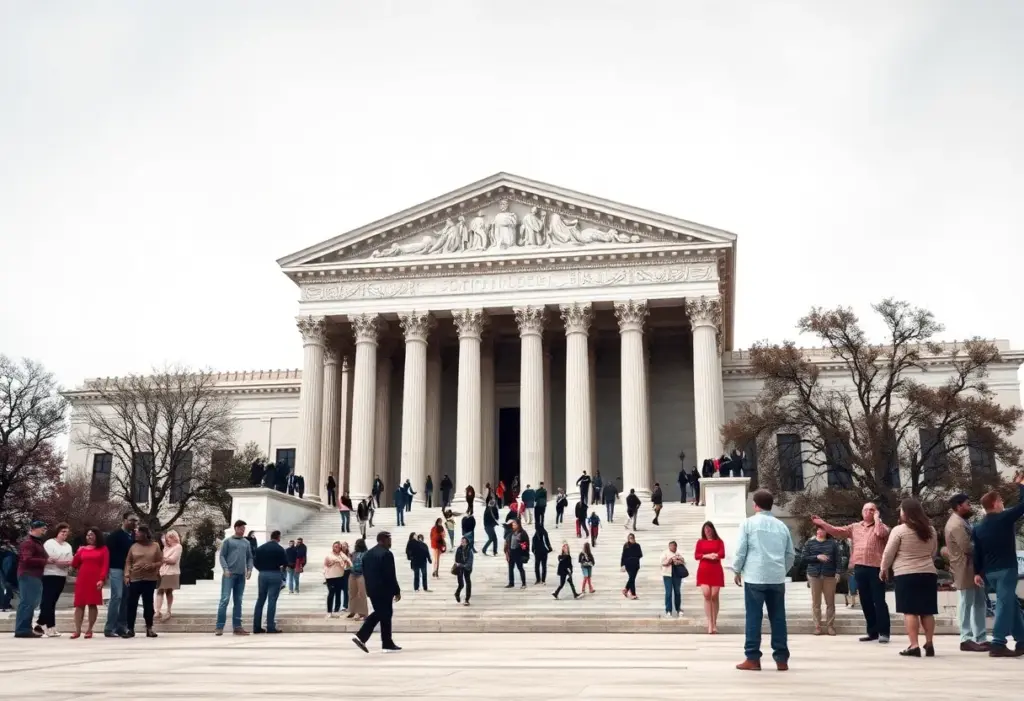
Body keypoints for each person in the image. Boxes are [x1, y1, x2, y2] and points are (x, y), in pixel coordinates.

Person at [811, 503, 892, 644]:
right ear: (862, 512)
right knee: (865, 601)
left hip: (877, 568)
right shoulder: (854, 527)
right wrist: (822, 523)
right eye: (866, 509)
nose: (868, 512)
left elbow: (880, 533)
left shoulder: (882, 527)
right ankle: (872, 632)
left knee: (879, 601)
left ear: (876, 512)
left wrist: (877, 518)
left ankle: (884, 632)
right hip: (860, 567)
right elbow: (836, 531)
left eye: (872, 510)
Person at [733, 489, 795, 672]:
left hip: (755, 576)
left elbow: (741, 550)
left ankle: (752, 657)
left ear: (755, 505)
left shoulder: (748, 524)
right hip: (776, 578)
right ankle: (781, 659)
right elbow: (790, 554)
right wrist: (782, 570)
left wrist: (737, 569)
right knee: (778, 618)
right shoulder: (781, 526)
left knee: (753, 617)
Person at [971, 473, 1024, 657]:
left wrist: (977, 572)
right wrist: (1021, 485)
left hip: (989, 573)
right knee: (1004, 604)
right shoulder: (1004, 518)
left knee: (1011, 603)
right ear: (995, 504)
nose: (1003, 503)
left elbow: (976, 552)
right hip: (1007, 570)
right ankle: (998, 643)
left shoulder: (978, 527)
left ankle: (1022, 641)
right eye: (1000, 500)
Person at [880, 498, 938, 657]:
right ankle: (929, 642)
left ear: (906, 513)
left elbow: (889, 552)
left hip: (906, 574)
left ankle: (914, 645)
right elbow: (933, 552)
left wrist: (883, 568)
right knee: (927, 611)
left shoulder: (899, 530)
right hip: (928, 573)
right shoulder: (931, 530)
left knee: (910, 611)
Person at [942, 493, 989, 652]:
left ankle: (981, 637)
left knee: (978, 603)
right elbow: (967, 547)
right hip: (964, 568)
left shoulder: (962, 521)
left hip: (972, 567)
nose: (970, 507)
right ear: (959, 506)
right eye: (968, 504)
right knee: (966, 603)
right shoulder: (956, 524)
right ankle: (966, 638)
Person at [352, 531, 402, 653]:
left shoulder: (368, 554)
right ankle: (361, 636)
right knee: (382, 613)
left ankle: (387, 643)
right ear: (382, 540)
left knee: (385, 614)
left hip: (372, 590)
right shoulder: (386, 554)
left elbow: (365, 573)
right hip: (384, 590)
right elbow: (390, 574)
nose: (390, 542)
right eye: (389, 540)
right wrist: (397, 590)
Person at [216, 519, 253, 636]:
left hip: (241, 575)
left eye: (244, 529)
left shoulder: (246, 543)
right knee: (225, 599)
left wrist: (249, 569)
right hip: (229, 574)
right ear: (236, 528)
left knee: (238, 601)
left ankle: (237, 626)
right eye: (241, 528)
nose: (243, 531)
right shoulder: (228, 542)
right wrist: (225, 569)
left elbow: (250, 557)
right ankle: (219, 626)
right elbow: (222, 556)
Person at [124, 525, 163, 638]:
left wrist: (152, 566)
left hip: (149, 579)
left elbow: (160, 561)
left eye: (138, 533)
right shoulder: (133, 547)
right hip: (135, 578)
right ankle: (130, 629)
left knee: (148, 604)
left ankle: (149, 628)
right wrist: (127, 576)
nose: (136, 535)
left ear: (145, 534)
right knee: (131, 604)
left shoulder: (155, 546)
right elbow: (128, 562)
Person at [69, 527, 108, 639]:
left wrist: (102, 579)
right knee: (79, 604)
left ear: (97, 536)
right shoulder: (82, 549)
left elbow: (105, 565)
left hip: (95, 579)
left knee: (92, 604)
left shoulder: (103, 549)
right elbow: (75, 564)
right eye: (87, 535)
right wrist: (77, 553)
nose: (89, 537)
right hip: (82, 578)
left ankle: (90, 629)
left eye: (91, 535)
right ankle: (77, 630)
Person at [802, 524, 840, 636]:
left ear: (826, 531)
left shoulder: (833, 543)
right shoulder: (810, 543)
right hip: (814, 575)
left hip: (829, 575)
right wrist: (817, 557)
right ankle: (817, 626)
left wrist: (838, 572)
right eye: (818, 529)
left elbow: (838, 559)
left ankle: (830, 626)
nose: (820, 531)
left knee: (830, 602)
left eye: (823, 529)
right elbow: (803, 558)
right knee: (816, 602)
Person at [103, 512, 137, 638]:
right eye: (131, 520)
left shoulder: (134, 536)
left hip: (129, 570)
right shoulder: (115, 535)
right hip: (116, 568)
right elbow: (107, 553)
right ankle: (109, 627)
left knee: (126, 598)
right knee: (117, 596)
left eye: (136, 521)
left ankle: (121, 626)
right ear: (124, 520)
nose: (134, 523)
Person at [13, 520, 49, 638]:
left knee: (31, 602)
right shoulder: (28, 543)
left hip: (34, 575)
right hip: (28, 574)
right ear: (34, 528)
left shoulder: (37, 542)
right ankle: (22, 629)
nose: (45, 530)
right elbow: (26, 559)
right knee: (27, 602)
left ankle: (25, 628)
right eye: (42, 528)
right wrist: (45, 561)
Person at [38, 522, 73, 637]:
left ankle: (50, 625)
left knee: (53, 602)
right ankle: (43, 624)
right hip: (50, 574)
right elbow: (51, 560)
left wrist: (64, 562)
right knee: (47, 600)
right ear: (57, 532)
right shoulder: (50, 543)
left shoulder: (67, 545)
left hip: (62, 575)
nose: (64, 534)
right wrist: (61, 562)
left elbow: (70, 559)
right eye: (63, 532)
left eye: (66, 533)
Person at [252, 530, 288, 633]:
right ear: (278, 537)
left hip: (262, 574)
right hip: (275, 573)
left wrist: (261, 569)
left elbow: (255, 561)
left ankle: (256, 627)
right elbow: (285, 563)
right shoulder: (280, 549)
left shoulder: (260, 548)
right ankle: (270, 626)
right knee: (272, 601)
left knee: (260, 600)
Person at [695, 521, 726, 634]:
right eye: (705, 529)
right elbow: (697, 555)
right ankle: (709, 622)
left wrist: (715, 555)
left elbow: (722, 554)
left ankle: (714, 623)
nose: (707, 531)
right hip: (704, 570)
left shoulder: (719, 541)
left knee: (714, 595)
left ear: (712, 529)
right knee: (707, 594)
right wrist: (707, 555)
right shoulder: (700, 542)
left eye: (709, 529)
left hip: (716, 570)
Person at [155, 529, 182, 622]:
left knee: (168, 592)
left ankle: (168, 610)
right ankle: (157, 611)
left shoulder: (178, 547)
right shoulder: (166, 548)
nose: (167, 540)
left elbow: (173, 560)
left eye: (168, 538)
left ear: (174, 538)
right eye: (166, 539)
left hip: (172, 572)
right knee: (159, 591)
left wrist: (162, 559)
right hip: (162, 572)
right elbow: (164, 559)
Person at [324, 540, 352, 619]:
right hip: (331, 577)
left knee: (344, 591)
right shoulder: (329, 555)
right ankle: (331, 610)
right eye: (340, 546)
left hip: (342, 576)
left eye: (342, 546)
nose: (342, 547)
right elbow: (326, 565)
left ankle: (344, 606)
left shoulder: (344, 554)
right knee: (332, 592)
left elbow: (348, 562)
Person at [661, 540, 687, 618]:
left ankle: (678, 609)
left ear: (676, 546)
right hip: (667, 575)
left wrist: (678, 560)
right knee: (668, 593)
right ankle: (668, 610)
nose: (672, 547)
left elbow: (684, 561)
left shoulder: (678, 553)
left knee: (677, 592)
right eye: (671, 546)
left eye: (674, 546)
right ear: (669, 546)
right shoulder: (665, 553)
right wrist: (670, 560)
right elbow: (662, 562)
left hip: (677, 575)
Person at [348, 538, 369, 620]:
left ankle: (363, 613)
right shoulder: (353, 553)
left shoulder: (366, 553)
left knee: (362, 594)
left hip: (361, 574)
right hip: (352, 574)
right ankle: (352, 611)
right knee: (352, 593)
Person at [504, 519, 528, 589]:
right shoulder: (511, 532)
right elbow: (507, 540)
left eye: (515, 525)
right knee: (510, 568)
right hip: (511, 552)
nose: (513, 526)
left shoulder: (522, 533)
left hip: (518, 553)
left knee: (520, 568)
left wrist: (520, 542)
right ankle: (511, 583)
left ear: (518, 525)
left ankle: (524, 583)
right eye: (513, 525)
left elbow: (525, 545)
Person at [620, 533, 643, 599]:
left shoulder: (637, 545)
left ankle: (627, 590)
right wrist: (622, 565)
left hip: (635, 564)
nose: (631, 539)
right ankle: (632, 593)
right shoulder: (626, 545)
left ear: (634, 538)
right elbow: (623, 556)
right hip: (628, 565)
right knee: (632, 578)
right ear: (628, 538)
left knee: (632, 579)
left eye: (632, 538)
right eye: (630, 538)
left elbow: (640, 554)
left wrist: (634, 555)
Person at [454, 536, 473, 606]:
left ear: (467, 543)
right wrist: (458, 564)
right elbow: (456, 559)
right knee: (461, 584)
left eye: (464, 542)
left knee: (468, 583)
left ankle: (467, 599)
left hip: (467, 568)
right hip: (460, 568)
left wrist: (463, 565)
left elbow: (470, 561)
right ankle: (457, 593)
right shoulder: (458, 549)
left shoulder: (470, 550)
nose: (462, 543)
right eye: (462, 541)